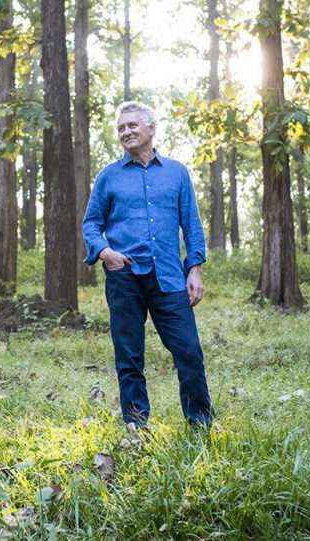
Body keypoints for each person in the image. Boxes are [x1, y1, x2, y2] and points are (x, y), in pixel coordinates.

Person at [82, 101, 213, 429]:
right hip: (123, 276)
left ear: (151, 129)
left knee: (189, 353)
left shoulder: (176, 173)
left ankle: (200, 425)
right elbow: (90, 224)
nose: (126, 132)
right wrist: (104, 251)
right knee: (129, 357)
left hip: (169, 276)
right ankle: (136, 427)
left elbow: (191, 223)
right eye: (121, 128)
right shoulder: (109, 177)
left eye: (132, 126)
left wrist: (194, 268)